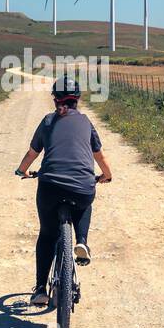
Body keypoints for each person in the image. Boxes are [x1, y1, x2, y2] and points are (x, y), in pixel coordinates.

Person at [14, 78, 112, 307]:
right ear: (77, 99)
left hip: (50, 185)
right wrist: (107, 176)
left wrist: (22, 171)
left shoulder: (48, 121)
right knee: (85, 203)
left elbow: (32, 153)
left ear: (55, 99)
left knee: (48, 235)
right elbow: (100, 157)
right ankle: (83, 241)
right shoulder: (86, 122)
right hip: (82, 186)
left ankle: (40, 289)